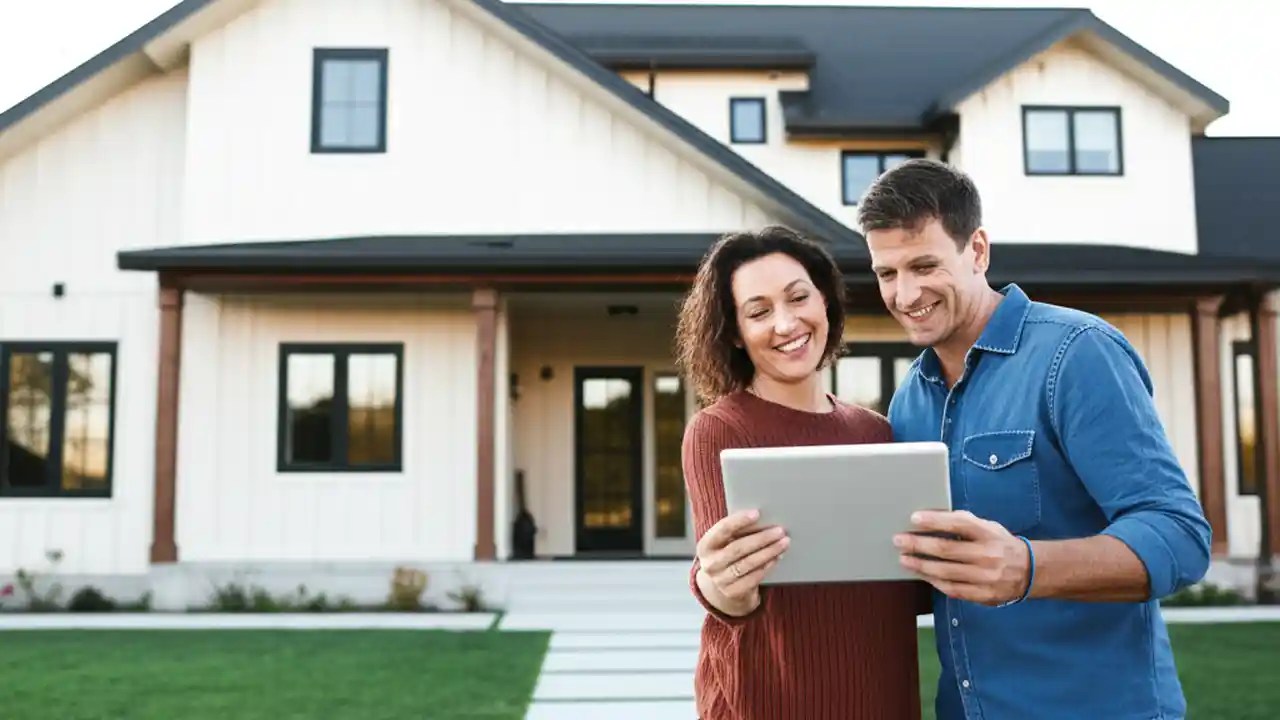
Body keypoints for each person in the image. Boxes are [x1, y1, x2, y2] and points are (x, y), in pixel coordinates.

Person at [858, 159, 1212, 719]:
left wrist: (1027, 568)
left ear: (977, 250)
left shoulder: (1076, 354)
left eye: (925, 265)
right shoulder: (910, 398)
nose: (905, 294)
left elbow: (1180, 535)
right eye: (887, 273)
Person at [674, 225, 932, 720]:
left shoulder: (876, 433)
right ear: (734, 331)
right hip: (766, 702)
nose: (786, 323)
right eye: (759, 311)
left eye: (798, 298)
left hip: (881, 699)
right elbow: (730, 595)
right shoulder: (719, 430)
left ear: (825, 303)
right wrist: (717, 581)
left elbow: (907, 589)